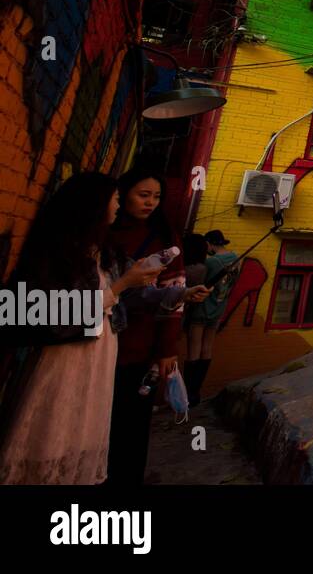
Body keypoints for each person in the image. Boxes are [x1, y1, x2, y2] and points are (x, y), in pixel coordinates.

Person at [0, 173, 162, 484]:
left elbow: (128, 295)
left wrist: (172, 292)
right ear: (94, 205)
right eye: (114, 199)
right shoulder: (61, 253)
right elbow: (44, 315)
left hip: (97, 360)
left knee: (79, 433)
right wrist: (121, 286)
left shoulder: (104, 251)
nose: (117, 205)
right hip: (65, 361)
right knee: (49, 434)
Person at [105, 167, 210, 485]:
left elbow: (171, 302)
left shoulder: (165, 239)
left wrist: (166, 351)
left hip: (140, 346)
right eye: (143, 195)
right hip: (98, 342)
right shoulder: (105, 233)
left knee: (131, 425)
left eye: (156, 197)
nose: (150, 203)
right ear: (123, 197)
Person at [183, 230, 239, 404]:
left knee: (194, 350)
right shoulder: (235, 259)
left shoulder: (211, 263)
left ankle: (188, 392)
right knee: (207, 349)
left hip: (202, 309)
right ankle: (197, 391)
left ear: (209, 244)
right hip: (219, 308)